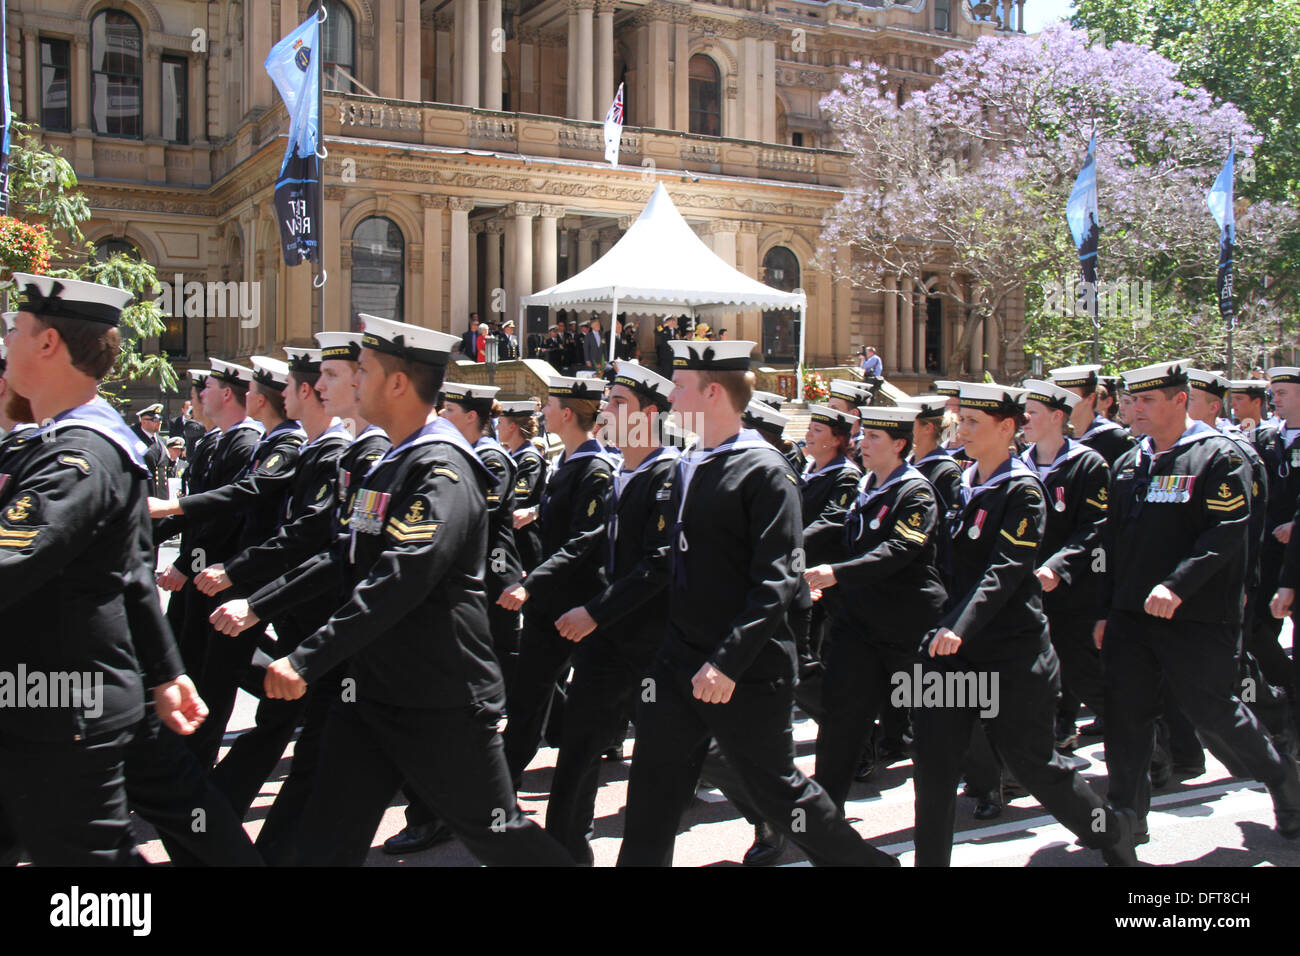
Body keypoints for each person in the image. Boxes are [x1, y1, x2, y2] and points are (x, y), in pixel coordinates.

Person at [217, 314, 573, 866]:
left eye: (362, 369)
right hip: (372, 690)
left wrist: (308, 658)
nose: (352, 381)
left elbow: (402, 575)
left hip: (440, 698)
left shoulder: (442, 471)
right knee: (325, 835)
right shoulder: (391, 463)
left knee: (499, 836)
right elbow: (346, 555)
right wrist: (258, 604)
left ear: (399, 384)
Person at [617, 338, 896, 867]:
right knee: (653, 786)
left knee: (781, 793)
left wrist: (726, 661)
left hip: (743, 667)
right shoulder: (688, 462)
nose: (671, 399)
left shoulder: (764, 470)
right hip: (680, 658)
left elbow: (776, 580)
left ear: (713, 392)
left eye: (680, 387)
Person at [0, 273, 207, 865]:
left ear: (47, 345)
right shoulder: (54, 443)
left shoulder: (79, 456)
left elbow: (12, 561)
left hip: (58, 711)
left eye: (15, 329)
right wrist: (167, 672)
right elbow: (133, 576)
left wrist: (167, 675)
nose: (6, 341)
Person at [911, 380, 1139, 867]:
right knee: (933, 765)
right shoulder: (959, 481)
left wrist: (959, 625)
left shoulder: (1022, 489)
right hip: (953, 658)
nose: (963, 429)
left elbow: (1006, 568)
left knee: (1037, 767)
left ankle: (1109, 832)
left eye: (974, 423)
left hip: (1010, 654)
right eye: (963, 420)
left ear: (1008, 428)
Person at [1098, 360, 1300, 852]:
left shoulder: (1218, 456)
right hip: (1132, 615)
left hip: (1197, 616)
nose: (1136, 410)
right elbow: (1113, 542)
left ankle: (1287, 788)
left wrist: (1178, 585)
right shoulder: (1131, 462)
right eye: (1132, 401)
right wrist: (1106, 609)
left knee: (1215, 714)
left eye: (1148, 401)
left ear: (1180, 400)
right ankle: (1127, 821)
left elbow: (1226, 533)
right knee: (1127, 717)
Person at [545, 362, 678, 864]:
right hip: (608, 635)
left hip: (653, 639)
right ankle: (563, 848)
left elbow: (660, 561)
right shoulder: (619, 471)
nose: (606, 410)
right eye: (607, 400)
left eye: (618, 402)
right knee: (578, 744)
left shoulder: (668, 473)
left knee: (664, 759)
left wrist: (595, 612)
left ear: (650, 413)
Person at [149, 356, 307, 770]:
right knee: (209, 664)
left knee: (220, 672)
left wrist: (191, 557)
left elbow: (236, 506)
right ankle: (188, 761)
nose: (199, 395)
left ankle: (192, 773)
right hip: (231, 573)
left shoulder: (267, 442)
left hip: (242, 573)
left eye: (206, 388)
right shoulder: (246, 441)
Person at [805, 404, 944, 810]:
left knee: (937, 715)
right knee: (841, 716)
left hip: (908, 625)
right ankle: (825, 812)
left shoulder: (915, 491)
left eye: (874, 438)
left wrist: (838, 573)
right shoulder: (867, 484)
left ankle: (988, 777)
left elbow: (899, 549)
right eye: (863, 435)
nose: (863, 443)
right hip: (859, 622)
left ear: (900, 444)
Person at [498, 375, 617, 786]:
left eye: (548, 406)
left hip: (577, 604)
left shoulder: (595, 469)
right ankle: (503, 786)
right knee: (530, 696)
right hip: (551, 601)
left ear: (566, 414)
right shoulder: (566, 462)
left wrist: (531, 582)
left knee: (543, 695)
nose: (541, 412)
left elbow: (583, 540)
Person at [1017, 380, 1109, 754]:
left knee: (1081, 671)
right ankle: (1043, 744)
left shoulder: (1087, 463)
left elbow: (1096, 526)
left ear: (1057, 417)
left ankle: (1145, 742)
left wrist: (1057, 567)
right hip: (1026, 589)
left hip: (1072, 591)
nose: (1024, 420)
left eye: (1032, 413)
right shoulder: (1017, 465)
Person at [1251, 367, 1300, 702]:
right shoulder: (1266, 438)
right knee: (1258, 627)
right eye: (1274, 392)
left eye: (1282, 392)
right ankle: (1284, 694)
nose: (1275, 399)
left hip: (1297, 549)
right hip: (1269, 549)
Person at [1049, 364, 1136, 466]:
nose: (1061, 404)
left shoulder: (1116, 439)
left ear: (1090, 398)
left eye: (1069, 397)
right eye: (1059, 398)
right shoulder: (1055, 438)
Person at [132, 402, 169, 497]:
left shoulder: (162, 442)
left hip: (161, 495)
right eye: (155, 419)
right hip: (144, 495)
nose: (159, 422)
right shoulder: (135, 441)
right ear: (143, 421)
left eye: (160, 419)